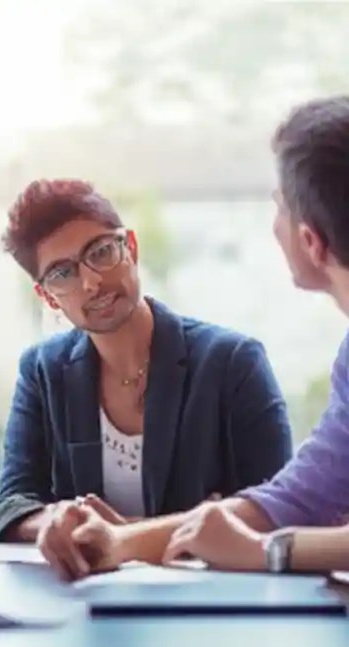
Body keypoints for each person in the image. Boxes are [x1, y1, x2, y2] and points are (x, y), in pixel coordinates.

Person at [37, 96, 349, 580]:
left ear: (311, 241)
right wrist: (120, 543)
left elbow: (275, 525)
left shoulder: (232, 358)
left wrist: (272, 552)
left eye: (280, 208)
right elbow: (296, 498)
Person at [0, 179, 292, 548]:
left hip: (211, 593)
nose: (91, 282)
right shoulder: (43, 370)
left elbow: (279, 507)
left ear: (130, 247)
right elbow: (12, 504)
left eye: (100, 252)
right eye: (62, 274)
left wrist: (124, 536)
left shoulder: (233, 362)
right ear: (48, 297)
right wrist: (57, 520)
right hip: (84, 595)